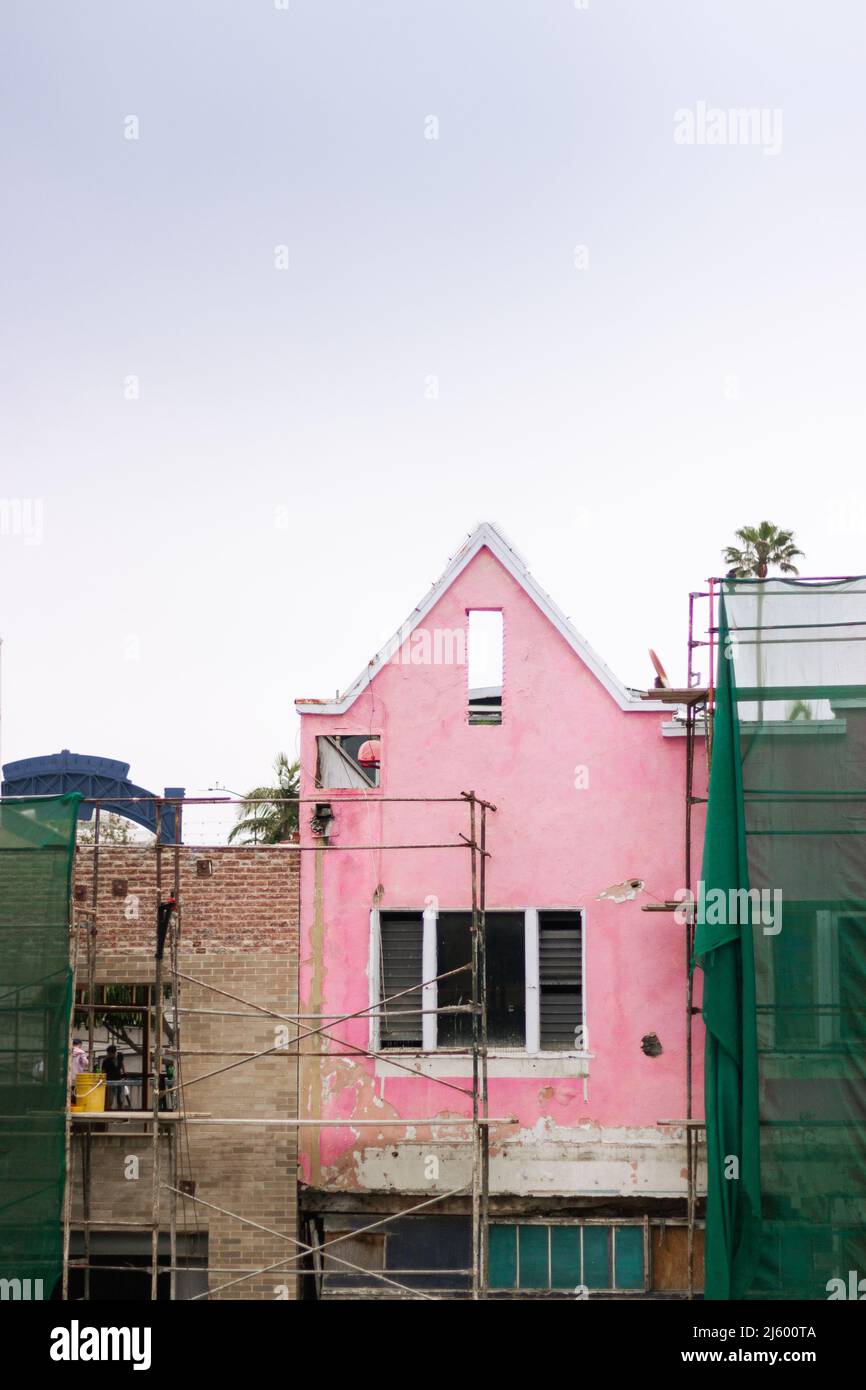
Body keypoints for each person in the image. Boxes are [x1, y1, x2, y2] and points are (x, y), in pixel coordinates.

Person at [101, 1045, 126, 1109]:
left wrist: (124, 1073)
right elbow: (103, 1071)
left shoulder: (120, 1055)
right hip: (110, 1079)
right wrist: (103, 1078)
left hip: (119, 1078)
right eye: (108, 1053)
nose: (108, 1055)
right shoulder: (106, 1060)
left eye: (109, 1053)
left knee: (120, 1095)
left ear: (114, 1052)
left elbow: (122, 1064)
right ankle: (109, 1108)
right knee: (111, 1096)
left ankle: (120, 1108)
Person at [70, 1038, 89, 1103]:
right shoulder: (81, 1052)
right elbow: (86, 1062)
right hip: (77, 1075)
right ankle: (75, 1104)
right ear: (80, 1044)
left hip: (68, 1075)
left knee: (69, 1091)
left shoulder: (69, 1051)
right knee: (76, 1091)